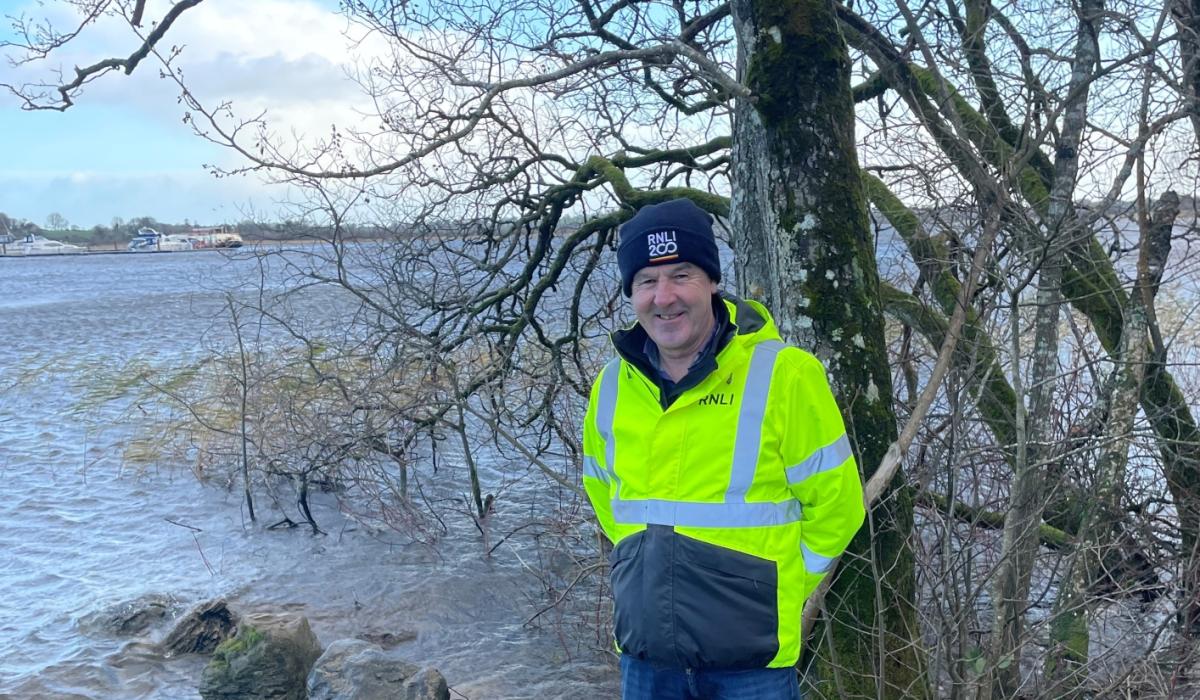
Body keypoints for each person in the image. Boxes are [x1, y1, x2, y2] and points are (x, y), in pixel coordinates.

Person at [581, 197, 866, 700]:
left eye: (682, 275)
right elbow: (605, 496)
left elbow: (838, 508)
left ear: (712, 281)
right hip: (646, 663)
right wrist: (641, 570)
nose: (664, 297)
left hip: (750, 667)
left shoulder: (785, 375)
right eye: (647, 280)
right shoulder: (610, 387)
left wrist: (777, 590)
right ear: (631, 293)